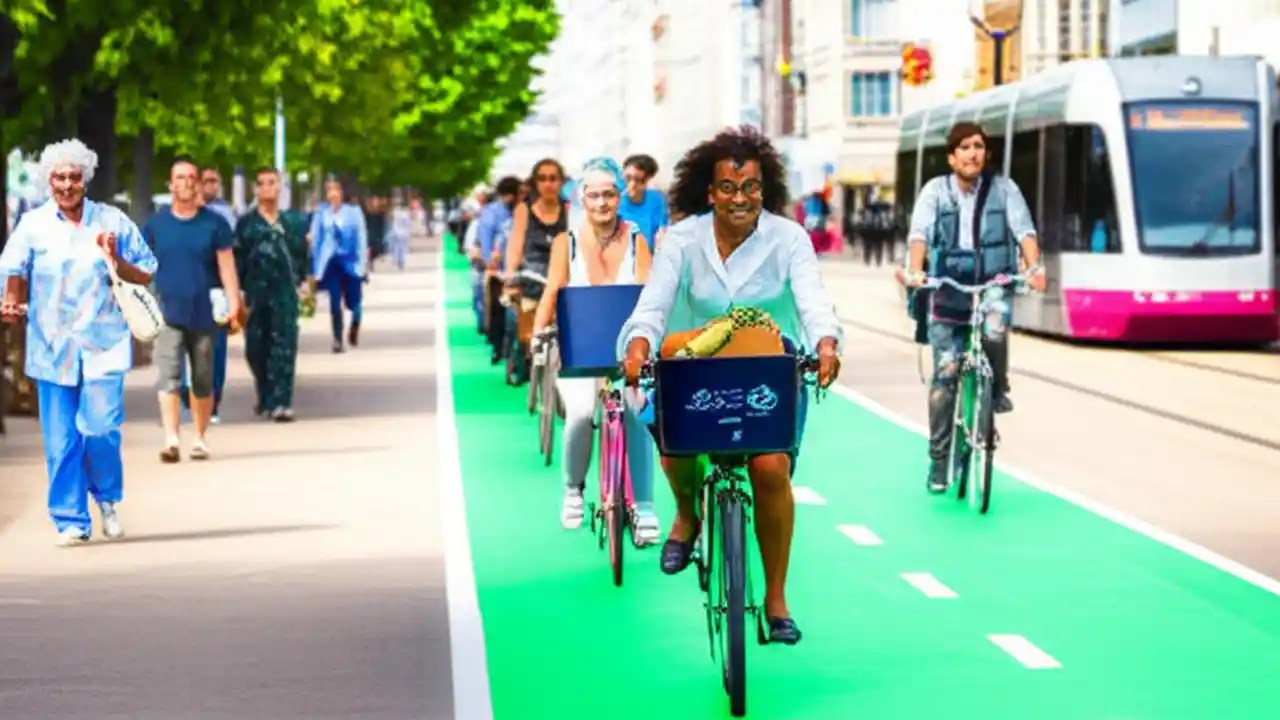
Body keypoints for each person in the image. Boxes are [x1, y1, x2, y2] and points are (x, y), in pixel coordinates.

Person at [618, 126, 842, 645]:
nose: (740, 198)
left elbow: (813, 302)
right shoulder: (681, 240)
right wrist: (638, 345)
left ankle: (776, 598)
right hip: (698, 369)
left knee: (770, 468)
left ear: (765, 189)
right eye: (728, 188)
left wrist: (826, 342)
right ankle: (687, 515)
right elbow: (653, 305)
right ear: (709, 191)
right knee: (676, 447)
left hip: (768, 371)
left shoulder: (789, 238)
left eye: (751, 188)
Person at [0, 138, 158, 545]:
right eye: (59, 177)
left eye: (74, 176)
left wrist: (115, 261)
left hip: (104, 342)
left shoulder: (112, 222)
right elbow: (13, 269)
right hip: (51, 346)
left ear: (85, 179)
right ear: (49, 180)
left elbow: (145, 271)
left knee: (102, 428)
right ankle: (71, 519)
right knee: (61, 439)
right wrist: (12, 302)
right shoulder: (33, 224)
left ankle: (106, 499)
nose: (67, 184)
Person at [896, 121, 1045, 494]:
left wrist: (1035, 267)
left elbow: (1024, 230)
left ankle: (994, 391)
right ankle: (939, 459)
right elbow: (919, 235)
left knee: (995, 327)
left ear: (986, 154)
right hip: (948, 288)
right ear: (952, 157)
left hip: (993, 281)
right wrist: (916, 271)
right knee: (945, 376)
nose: (972, 153)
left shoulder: (1004, 189)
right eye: (964, 147)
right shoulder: (936, 192)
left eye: (978, 146)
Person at [532, 157, 659, 544]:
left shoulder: (637, 240)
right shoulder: (565, 243)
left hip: (626, 352)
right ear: (581, 200)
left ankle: (645, 507)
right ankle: (573, 489)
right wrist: (538, 335)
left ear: (619, 197)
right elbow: (553, 289)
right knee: (582, 413)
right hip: (580, 349)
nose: (602, 203)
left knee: (637, 414)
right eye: (594, 195)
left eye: (609, 194)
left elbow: (649, 291)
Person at [145, 155, 243, 463]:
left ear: (198, 183)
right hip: (168, 314)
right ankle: (172, 439)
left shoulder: (214, 224)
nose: (186, 183)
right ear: (170, 184)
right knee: (169, 376)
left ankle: (199, 437)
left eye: (191, 177)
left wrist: (235, 305)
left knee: (203, 379)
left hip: (205, 314)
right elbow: (142, 269)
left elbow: (227, 267)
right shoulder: (156, 224)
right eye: (180, 178)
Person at [235, 167, 310, 421]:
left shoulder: (293, 223)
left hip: (285, 294)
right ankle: (265, 396)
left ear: (280, 187)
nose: (267, 188)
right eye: (262, 183)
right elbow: (238, 261)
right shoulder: (246, 224)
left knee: (285, 347)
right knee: (256, 348)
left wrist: (306, 286)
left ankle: (281, 402)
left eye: (272, 182)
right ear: (256, 189)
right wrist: (237, 296)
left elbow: (302, 257)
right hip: (256, 295)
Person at [504, 159, 567, 380]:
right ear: (535, 184)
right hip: (533, 277)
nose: (548, 183)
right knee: (523, 326)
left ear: (561, 182)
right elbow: (515, 244)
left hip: (562, 277)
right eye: (542, 178)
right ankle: (518, 358)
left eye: (553, 178)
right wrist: (510, 274)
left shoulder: (570, 209)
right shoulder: (524, 210)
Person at [310, 174, 368, 353]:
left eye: (335, 189)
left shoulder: (354, 212)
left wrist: (362, 264)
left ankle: (356, 322)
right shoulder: (322, 213)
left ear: (342, 192)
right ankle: (337, 339)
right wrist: (315, 267)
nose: (332, 193)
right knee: (335, 302)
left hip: (350, 262)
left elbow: (361, 239)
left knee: (354, 302)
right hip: (331, 263)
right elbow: (316, 240)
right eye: (329, 190)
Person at [475, 176, 522, 363]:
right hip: (498, 271)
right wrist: (490, 263)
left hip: (520, 270)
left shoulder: (524, 211)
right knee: (497, 311)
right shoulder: (491, 213)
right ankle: (497, 347)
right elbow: (485, 240)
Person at [619, 154, 669, 253]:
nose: (632, 184)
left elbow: (662, 232)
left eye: (638, 180)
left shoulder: (657, 200)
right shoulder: (615, 202)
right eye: (628, 178)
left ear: (648, 179)